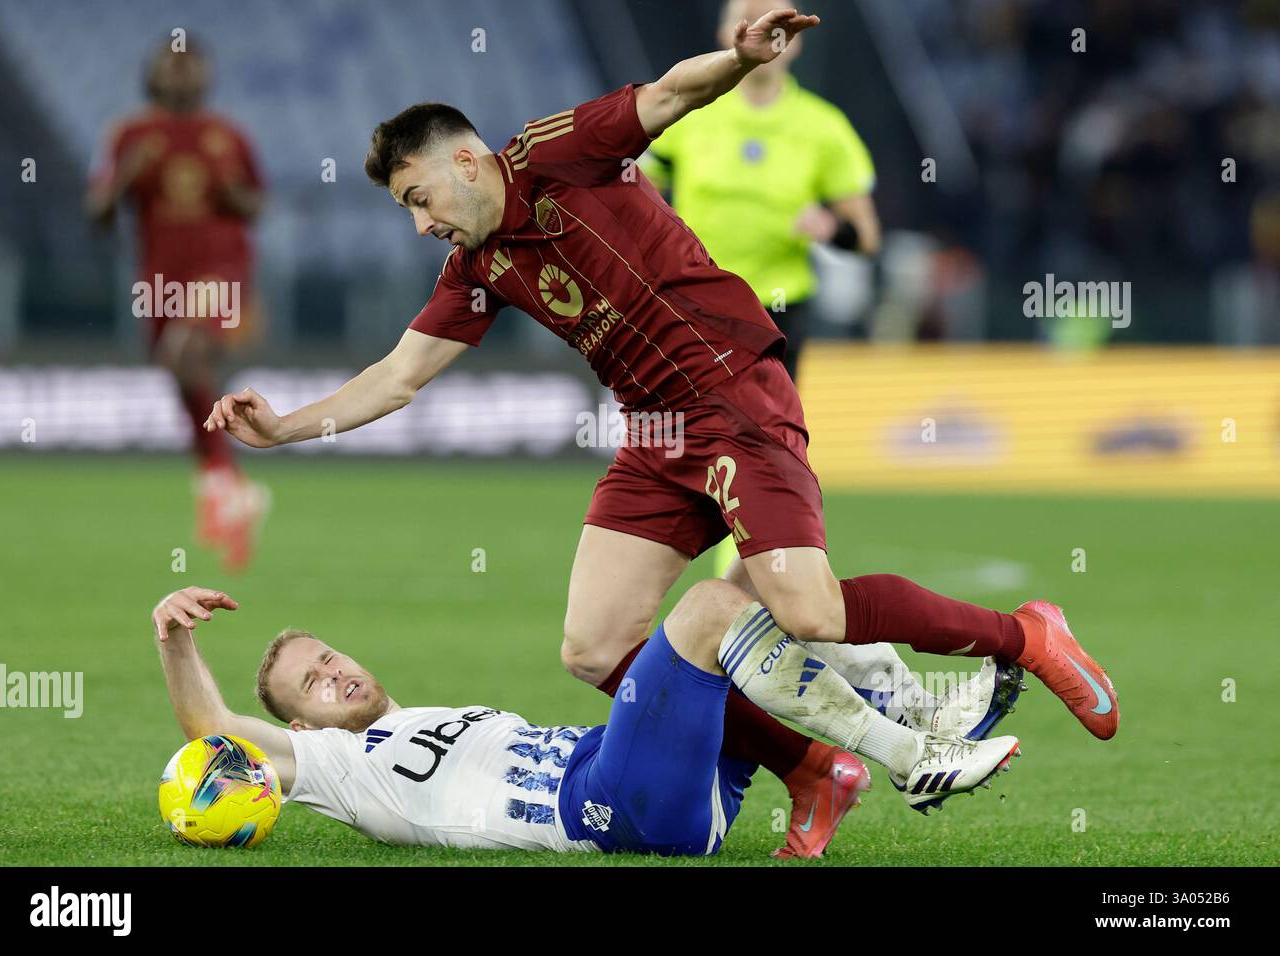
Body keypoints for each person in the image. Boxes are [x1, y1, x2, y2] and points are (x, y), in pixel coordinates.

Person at [203, 6, 1119, 857]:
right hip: (654, 433)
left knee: (808, 611)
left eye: (418, 195)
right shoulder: (476, 265)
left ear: (468, 162)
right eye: (407, 207)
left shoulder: (555, 153)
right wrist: (284, 429)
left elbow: (669, 94)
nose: (419, 222)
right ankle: (810, 772)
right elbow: (397, 376)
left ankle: (1026, 635)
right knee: (595, 646)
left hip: (733, 394)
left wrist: (739, 59)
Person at [152, 580, 1022, 857]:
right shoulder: (335, 766)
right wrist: (172, 635)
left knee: (766, 596)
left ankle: (915, 711)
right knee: (709, 609)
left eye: (330, 657)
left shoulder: (422, 714)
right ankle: (911, 754)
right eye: (312, 681)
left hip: (662, 776)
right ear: (298, 727)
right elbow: (208, 724)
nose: (334, 673)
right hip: (608, 803)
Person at [639, 0, 880, 580]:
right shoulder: (690, 110)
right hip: (688, 305)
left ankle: (733, 583)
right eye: (740, 17)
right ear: (724, 33)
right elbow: (632, 189)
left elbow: (867, 235)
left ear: (793, 41)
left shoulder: (823, 128)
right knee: (680, 443)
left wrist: (832, 228)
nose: (754, 29)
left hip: (774, 314)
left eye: (769, 20)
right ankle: (672, 562)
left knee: (756, 449)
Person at [87, 36, 269, 571]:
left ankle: (222, 479)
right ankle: (226, 483)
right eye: (174, 64)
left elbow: (256, 205)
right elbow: (96, 213)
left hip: (221, 270)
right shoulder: (129, 134)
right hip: (161, 280)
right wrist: (124, 176)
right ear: (155, 73)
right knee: (182, 372)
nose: (184, 74)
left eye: (193, 65)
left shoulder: (227, 136)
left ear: (206, 74)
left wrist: (230, 191)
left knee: (184, 355)